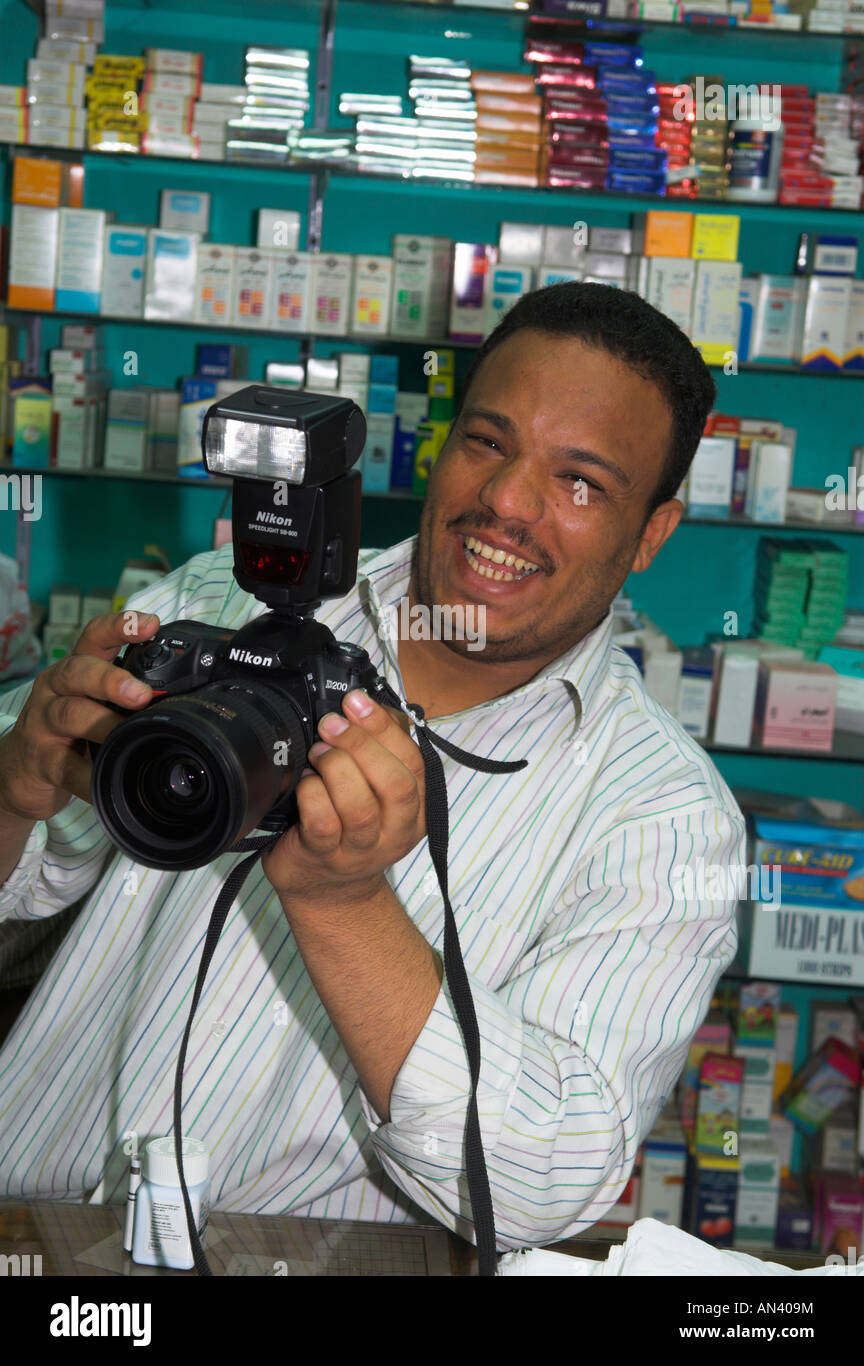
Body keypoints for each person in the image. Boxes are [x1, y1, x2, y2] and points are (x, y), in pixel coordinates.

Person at [0, 283, 745, 1250]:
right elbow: (26, 887)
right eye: (488, 442)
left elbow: (532, 1188)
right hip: (35, 1231)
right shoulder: (226, 605)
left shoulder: (667, 819)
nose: (507, 504)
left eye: (580, 484)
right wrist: (17, 786)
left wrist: (347, 904)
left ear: (652, 532)